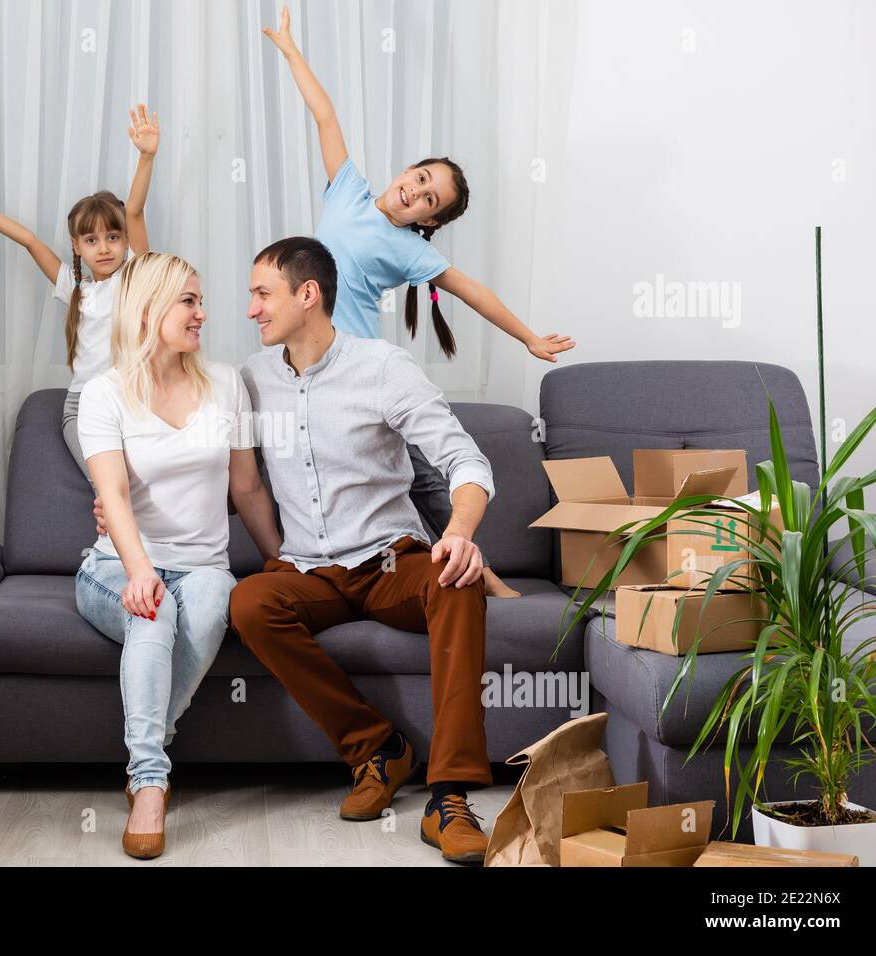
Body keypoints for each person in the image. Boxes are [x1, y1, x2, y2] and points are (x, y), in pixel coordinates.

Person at [230, 236, 496, 866]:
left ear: (308, 295)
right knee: (249, 602)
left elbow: (467, 461)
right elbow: (231, 477)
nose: (252, 310)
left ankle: (450, 796)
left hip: (388, 564)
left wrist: (458, 533)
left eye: (261, 294)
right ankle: (377, 748)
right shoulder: (249, 379)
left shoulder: (383, 368)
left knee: (458, 582)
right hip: (308, 573)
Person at [262, 7, 573, 534]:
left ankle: (481, 570)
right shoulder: (348, 191)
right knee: (299, 463)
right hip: (308, 363)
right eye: (422, 177)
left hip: (359, 367)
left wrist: (528, 338)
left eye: (429, 198)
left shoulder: (410, 250)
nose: (417, 190)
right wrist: (291, 50)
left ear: (427, 218)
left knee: (417, 477)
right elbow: (326, 116)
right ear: (408, 169)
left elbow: (471, 291)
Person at [76, 252, 282, 860]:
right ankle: (148, 782)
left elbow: (245, 487)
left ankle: (154, 736)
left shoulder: (225, 383)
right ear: (148, 310)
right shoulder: (104, 394)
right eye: (188, 301)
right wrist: (140, 571)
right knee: (154, 612)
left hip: (203, 567)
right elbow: (110, 494)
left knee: (219, 598)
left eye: (200, 300)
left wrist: (279, 560)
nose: (203, 313)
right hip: (113, 568)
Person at [0, 104, 162, 480]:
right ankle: (110, 537)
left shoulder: (136, 278)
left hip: (131, 402)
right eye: (92, 239)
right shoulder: (76, 289)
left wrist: (146, 157)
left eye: (113, 238)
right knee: (107, 484)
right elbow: (28, 240)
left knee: (142, 481)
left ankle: (130, 537)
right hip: (81, 405)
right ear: (77, 245)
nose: (103, 248)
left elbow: (134, 211)